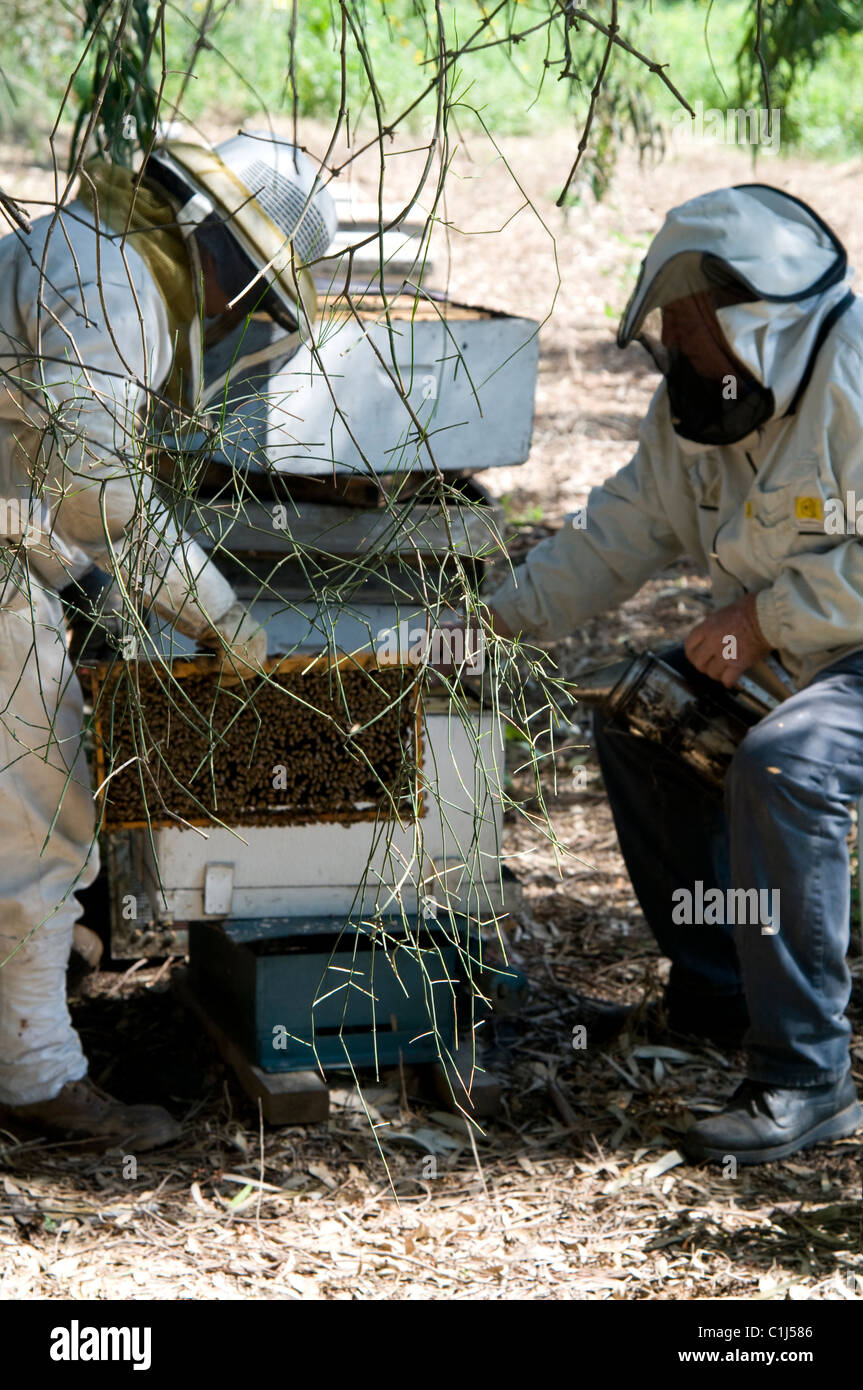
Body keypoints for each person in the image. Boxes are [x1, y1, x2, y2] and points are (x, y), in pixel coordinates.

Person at [484, 184, 863, 1164]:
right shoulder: (699, 409)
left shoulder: (852, 378)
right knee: (637, 714)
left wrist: (765, 618)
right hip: (798, 654)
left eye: (687, 327)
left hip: (837, 659)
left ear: (755, 322)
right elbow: (620, 530)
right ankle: (714, 990)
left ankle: (804, 1075)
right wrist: (487, 618)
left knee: (784, 766)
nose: (673, 344)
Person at [0, 131, 335, 1149]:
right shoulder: (113, 285)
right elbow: (95, 495)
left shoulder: (85, 252)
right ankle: (36, 1072)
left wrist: (78, 582)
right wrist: (220, 615)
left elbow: (29, 472)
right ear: (214, 244)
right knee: (40, 813)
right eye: (252, 291)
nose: (238, 317)